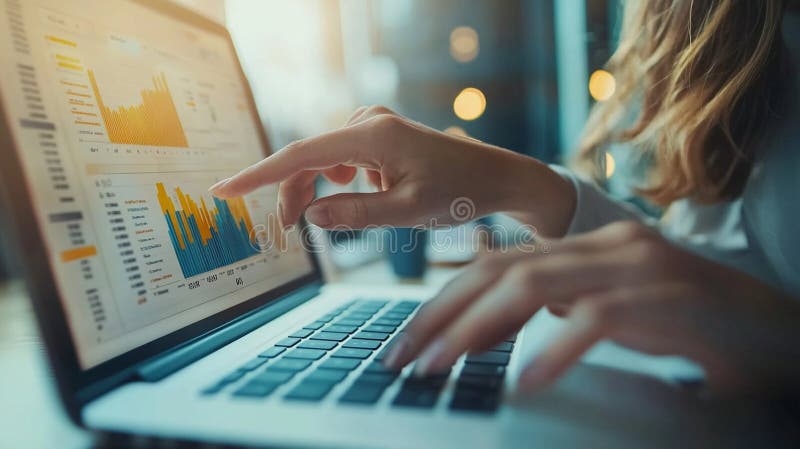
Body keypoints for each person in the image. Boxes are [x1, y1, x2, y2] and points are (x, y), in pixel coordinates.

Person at [210, 0, 800, 393]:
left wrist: (777, 336)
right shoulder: (729, 26)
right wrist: (524, 186)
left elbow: (731, 302)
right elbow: (708, 279)